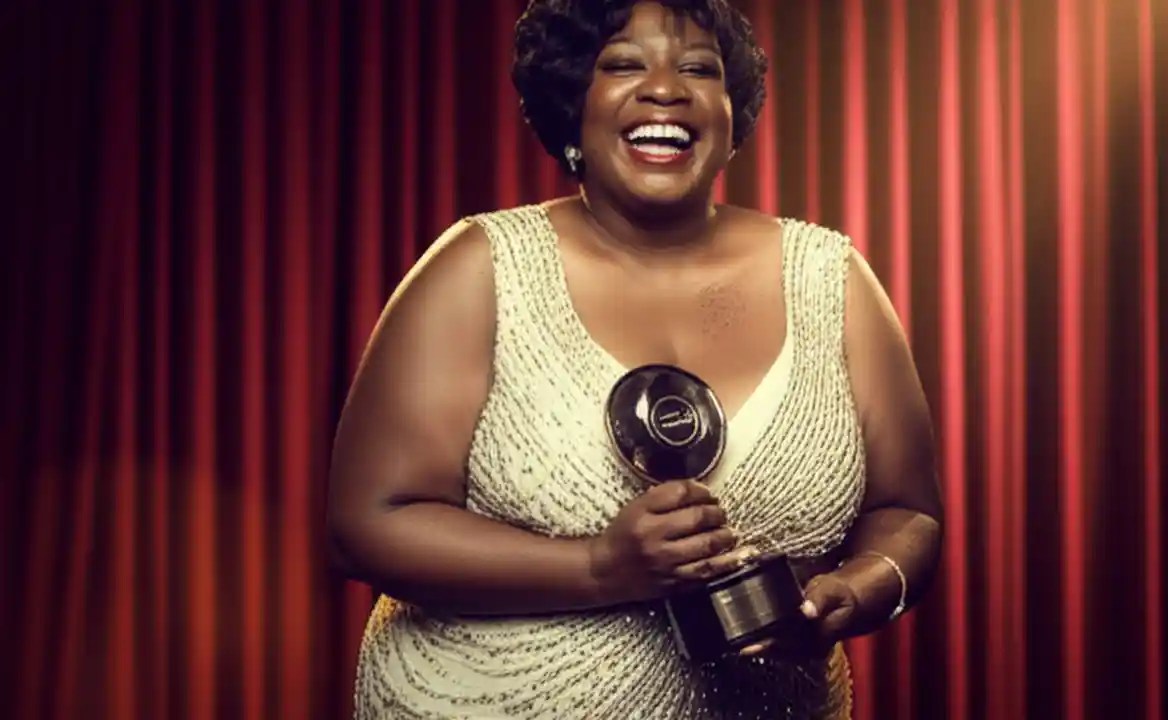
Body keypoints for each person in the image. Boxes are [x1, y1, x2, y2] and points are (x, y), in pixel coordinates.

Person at [326, 0, 943, 716]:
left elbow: (909, 511)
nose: (665, 89)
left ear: (730, 115)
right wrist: (598, 567)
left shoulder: (830, 275)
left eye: (698, 69)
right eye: (623, 63)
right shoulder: (479, 268)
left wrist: (867, 587)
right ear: (571, 107)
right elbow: (365, 525)